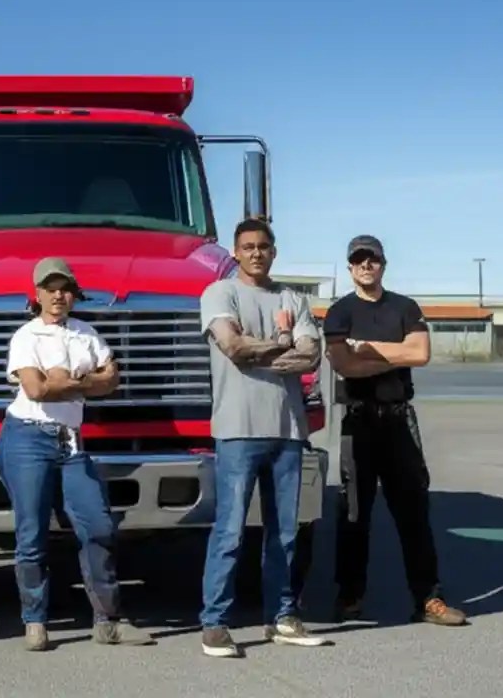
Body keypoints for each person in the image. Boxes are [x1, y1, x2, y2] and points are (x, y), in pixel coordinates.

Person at [0, 257, 154, 652]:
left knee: (98, 526)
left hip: (70, 441)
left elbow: (112, 379)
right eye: (50, 289)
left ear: (73, 295)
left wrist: (68, 380)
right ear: (37, 294)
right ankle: (35, 620)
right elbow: (36, 390)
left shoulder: (87, 333)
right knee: (32, 532)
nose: (58, 296)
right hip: (27, 437)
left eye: (65, 289)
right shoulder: (26, 337)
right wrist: (87, 382)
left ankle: (108, 621)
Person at [197, 219, 328, 658]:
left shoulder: (293, 298)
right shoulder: (220, 293)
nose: (256, 253)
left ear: (274, 251)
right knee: (230, 532)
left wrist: (262, 349)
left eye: (264, 246)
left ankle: (283, 617)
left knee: (285, 533)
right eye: (248, 246)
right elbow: (233, 348)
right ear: (236, 252)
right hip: (238, 430)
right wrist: (284, 342)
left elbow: (311, 355)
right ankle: (215, 623)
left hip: (288, 431)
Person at [323, 234, 466, 627]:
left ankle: (428, 599)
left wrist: (366, 348)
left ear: (383, 264)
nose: (366, 265)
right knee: (354, 513)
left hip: (400, 419)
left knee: (413, 512)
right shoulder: (339, 312)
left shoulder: (405, 307)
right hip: (359, 420)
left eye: (372, 259)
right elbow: (344, 365)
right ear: (350, 267)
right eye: (359, 260)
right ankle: (349, 597)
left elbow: (420, 353)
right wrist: (394, 354)